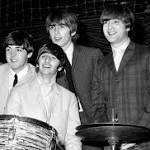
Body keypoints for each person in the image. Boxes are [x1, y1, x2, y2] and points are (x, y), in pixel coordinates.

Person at [5, 42, 82, 150]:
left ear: (60, 67)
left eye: (53, 58)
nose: (47, 60)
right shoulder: (18, 91)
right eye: (43, 56)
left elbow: (73, 138)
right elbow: (10, 131)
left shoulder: (69, 98)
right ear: (37, 63)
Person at [95, 4, 150, 150]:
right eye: (106, 22)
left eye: (115, 22)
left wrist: (135, 134)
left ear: (128, 26)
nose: (109, 27)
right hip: (112, 144)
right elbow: (99, 106)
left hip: (144, 143)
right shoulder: (101, 63)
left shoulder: (146, 54)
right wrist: (108, 135)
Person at [45, 9, 107, 126]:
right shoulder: (45, 62)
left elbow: (103, 93)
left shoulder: (92, 55)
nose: (56, 32)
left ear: (72, 31)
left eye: (61, 26)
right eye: (52, 27)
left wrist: (98, 123)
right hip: (61, 124)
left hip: (91, 120)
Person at [0, 30, 35, 114]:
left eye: (18, 50)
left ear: (29, 54)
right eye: (8, 49)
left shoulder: (39, 77)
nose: (12, 55)